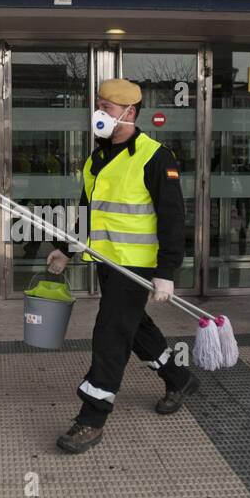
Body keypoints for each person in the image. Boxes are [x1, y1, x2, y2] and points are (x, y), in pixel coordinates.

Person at [46, 78, 198, 454]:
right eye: (98, 106)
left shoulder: (155, 156)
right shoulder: (96, 158)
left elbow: (172, 218)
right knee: (135, 327)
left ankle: (91, 417)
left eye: (107, 108)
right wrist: (65, 248)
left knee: (110, 335)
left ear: (129, 113)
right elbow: (87, 210)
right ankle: (179, 379)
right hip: (107, 261)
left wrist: (167, 272)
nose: (99, 114)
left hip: (138, 267)